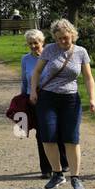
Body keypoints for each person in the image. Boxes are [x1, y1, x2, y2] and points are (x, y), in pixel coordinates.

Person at [29, 19, 95, 189]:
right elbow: (36, 72)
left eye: (65, 38)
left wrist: (92, 99)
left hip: (70, 100)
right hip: (48, 98)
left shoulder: (81, 52)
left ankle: (75, 177)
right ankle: (57, 174)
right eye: (58, 38)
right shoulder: (50, 50)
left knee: (71, 138)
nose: (62, 42)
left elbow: (88, 78)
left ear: (72, 35)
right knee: (48, 137)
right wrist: (33, 91)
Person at [20, 30, 68, 178]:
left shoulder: (51, 56)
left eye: (36, 43)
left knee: (58, 130)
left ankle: (63, 162)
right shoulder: (25, 59)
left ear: (43, 42)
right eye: (30, 44)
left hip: (52, 96)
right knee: (41, 134)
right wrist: (23, 97)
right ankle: (46, 169)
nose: (33, 46)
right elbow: (24, 80)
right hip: (34, 98)